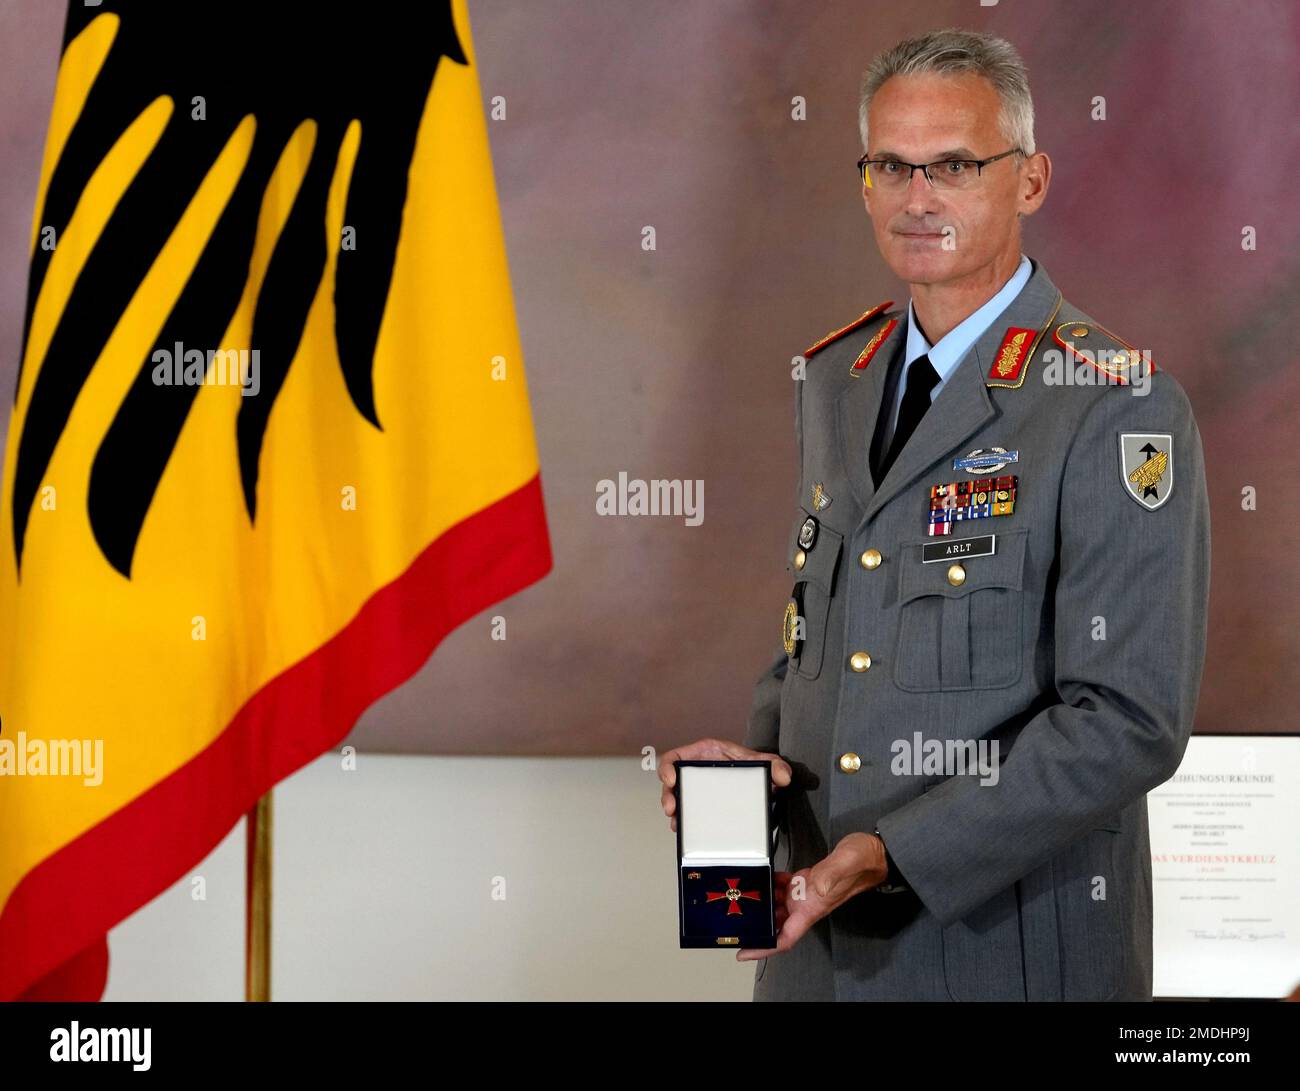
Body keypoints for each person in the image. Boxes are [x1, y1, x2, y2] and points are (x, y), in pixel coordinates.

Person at [658, 27, 1210, 1001]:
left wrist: (886, 851)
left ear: (1029, 179)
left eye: (953, 164)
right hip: (818, 951)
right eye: (891, 165)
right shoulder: (837, 378)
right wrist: (757, 771)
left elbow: (1127, 719)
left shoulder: (1111, 400)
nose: (918, 198)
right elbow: (822, 642)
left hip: (1006, 952)